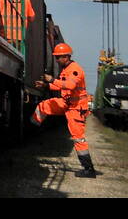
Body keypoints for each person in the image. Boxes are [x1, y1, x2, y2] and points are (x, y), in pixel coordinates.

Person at [32, 43, 98, 178]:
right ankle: (32, 129)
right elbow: (62, 87)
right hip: (65, 103)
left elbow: (70, 85)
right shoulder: (65, 69)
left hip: (76, 108)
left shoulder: (75, 69)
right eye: (56, 57)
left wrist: (52, 79)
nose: (56, 60)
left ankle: (88, 169)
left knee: (78, 138)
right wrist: (46, 85)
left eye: (58, 57)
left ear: (66, 56)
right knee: (44, 106)